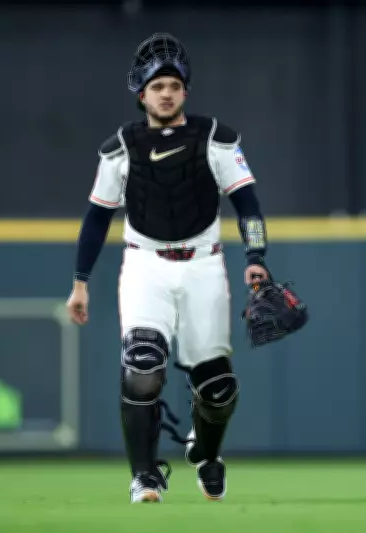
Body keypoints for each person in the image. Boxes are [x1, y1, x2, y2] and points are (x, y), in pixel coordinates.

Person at [65, 33, 272, 504]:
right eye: (157, 85)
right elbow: (97, 217)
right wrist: (80, 283)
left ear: (185, 91)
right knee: (142, 366)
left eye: (174, 84)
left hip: (204, 266)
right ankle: (144, 474)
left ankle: (207, 452)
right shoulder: (120, 147)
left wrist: (256, 258)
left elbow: (250, 206)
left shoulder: (216, 138)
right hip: (145, 266)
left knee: (218, 388)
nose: (166, 92)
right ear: (141, 93)